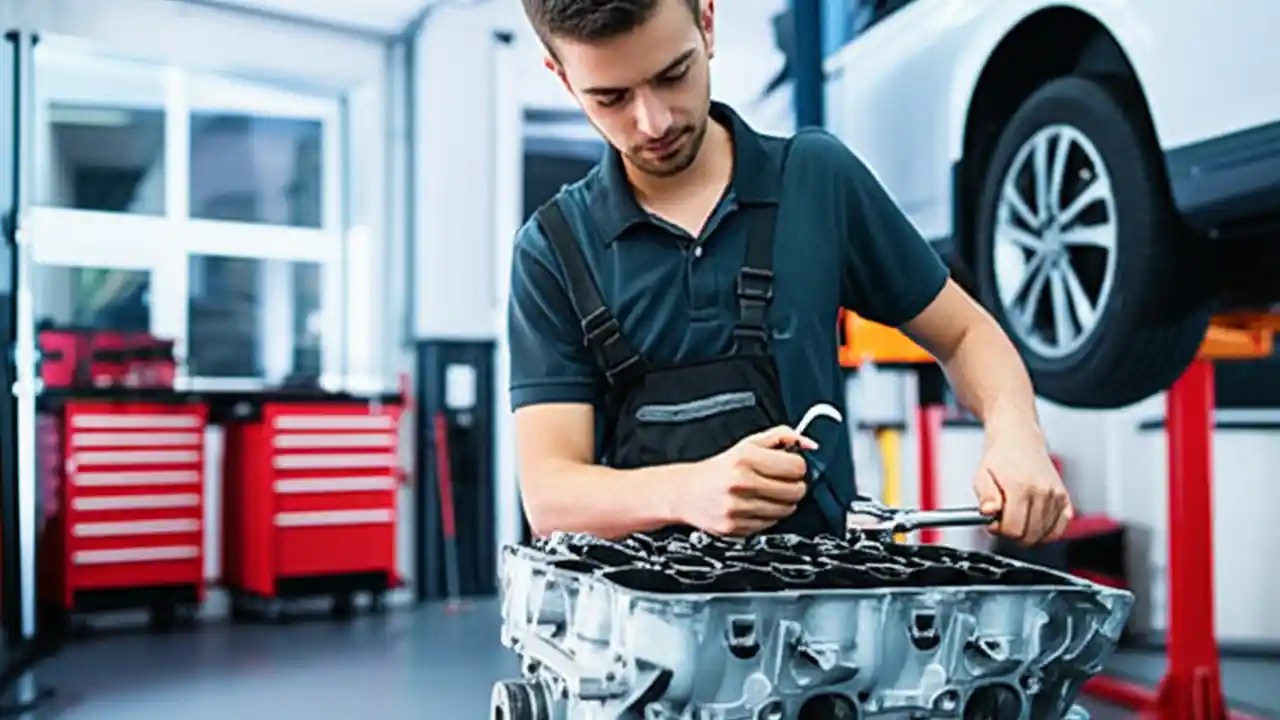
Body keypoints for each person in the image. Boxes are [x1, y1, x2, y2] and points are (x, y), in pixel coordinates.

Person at [507, 0, 1073, 546]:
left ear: (706, 20)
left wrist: (1017, 432)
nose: (653, 121)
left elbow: (965, 332)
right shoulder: (553, 250)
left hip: (820, 625)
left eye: (673, 74)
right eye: (611, 98)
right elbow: (552, 498)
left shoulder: (815, 181)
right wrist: (685, 491)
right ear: (561, 76)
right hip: (637, 632)